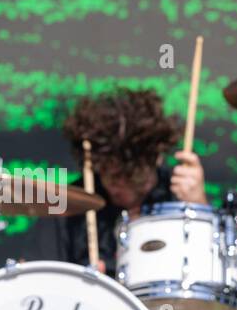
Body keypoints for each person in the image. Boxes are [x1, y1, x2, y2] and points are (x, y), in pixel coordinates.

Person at [54, 87, 207, 274]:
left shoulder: (179, 193)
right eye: (109, 175)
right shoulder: (72, 204)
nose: (117, 186)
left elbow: (210, 272)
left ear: (155, 160)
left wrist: (199, 205)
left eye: (130, 178)